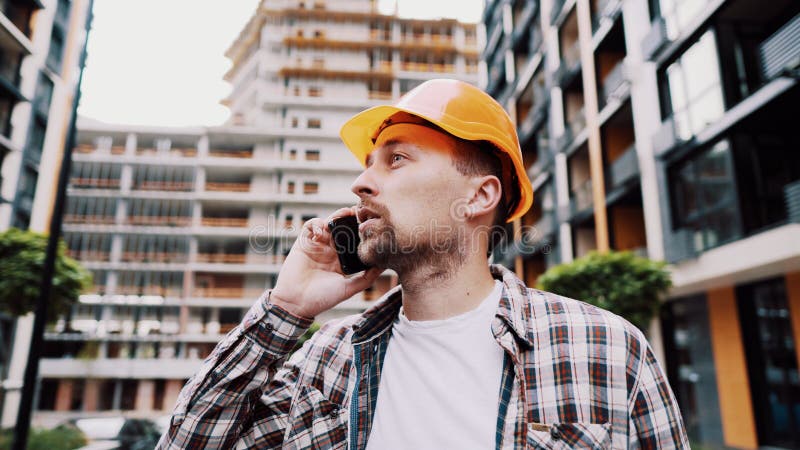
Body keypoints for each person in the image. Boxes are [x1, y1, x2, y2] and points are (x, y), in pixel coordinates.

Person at [156, 79, 688, 449]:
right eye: (368, 165)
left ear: (479, 197)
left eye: (397, 159)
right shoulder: (322, 365)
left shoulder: (605, 349)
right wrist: (285, 310)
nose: (361, 183)